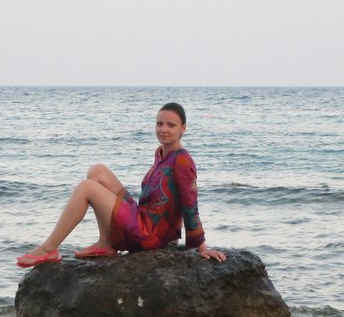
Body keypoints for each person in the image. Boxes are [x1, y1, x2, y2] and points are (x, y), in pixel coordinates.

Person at [16, 102, 226, 267]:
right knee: (97, 172)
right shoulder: (160, 154)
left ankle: (49, 249)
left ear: (183, 129)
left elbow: (190, 204)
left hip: (151, 235)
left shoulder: (182, 160)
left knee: (86, 188)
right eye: (159, 124)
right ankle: (106, 243)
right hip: (143, 219)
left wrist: (200, 246)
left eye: (171, 125)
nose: (163, 129)